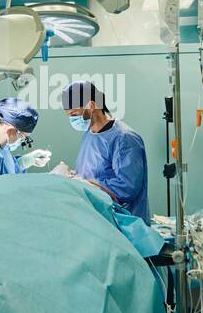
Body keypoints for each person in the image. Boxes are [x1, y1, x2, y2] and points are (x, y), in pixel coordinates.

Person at [60, 80, 149, 220]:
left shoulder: (124, 138)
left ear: (92, 105)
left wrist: (84, 184)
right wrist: (71, 177)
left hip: (122, 224)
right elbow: (91, 174)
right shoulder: (89, 136)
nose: (72, 119)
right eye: (69, 115)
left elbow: (126, 188)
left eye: (74, 113)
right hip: (97, 219)